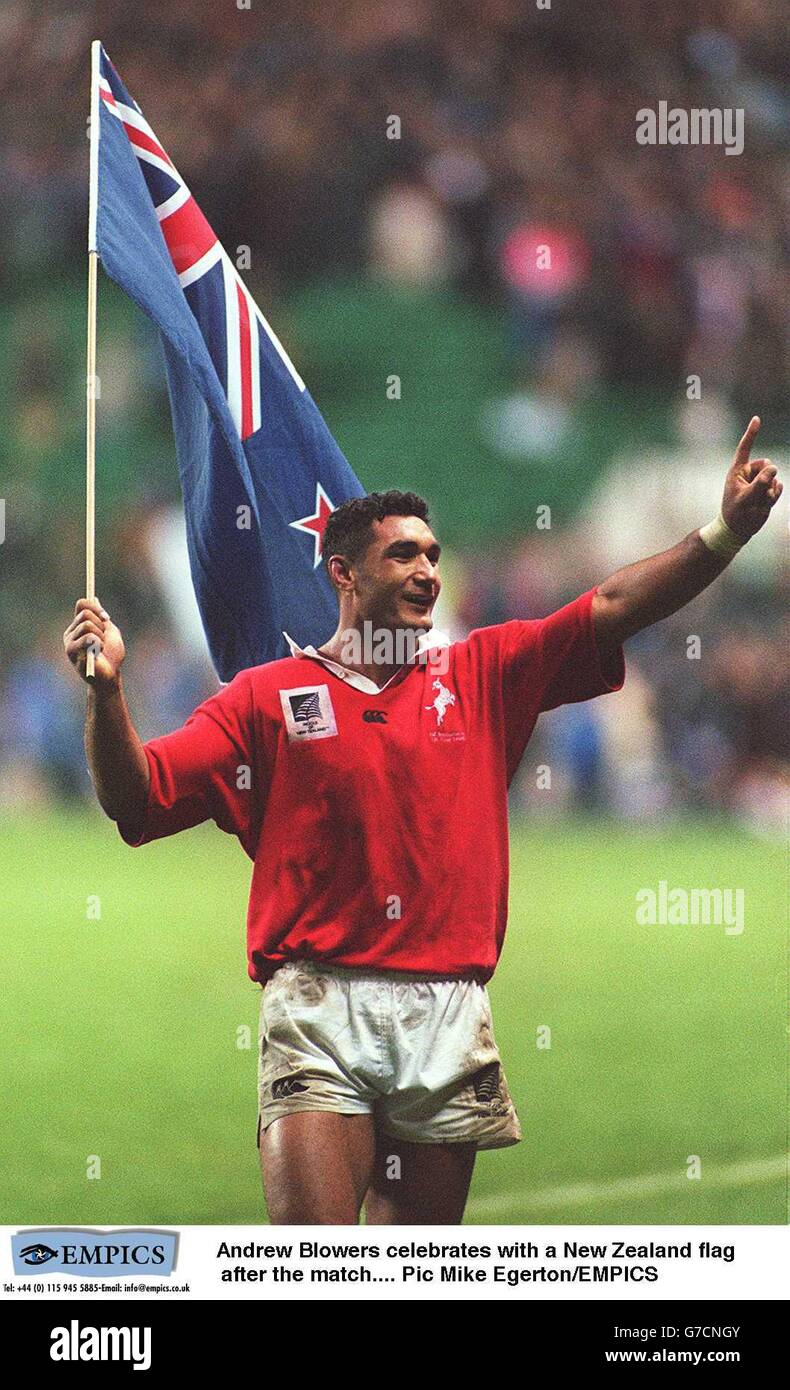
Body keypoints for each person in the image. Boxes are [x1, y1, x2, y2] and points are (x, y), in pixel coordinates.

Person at [64, 417, 782, 1225]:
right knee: (313, 1270)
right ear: (342, 572)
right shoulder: (265, 699)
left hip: (449, 1008)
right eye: (403, 554)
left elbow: (612, 604)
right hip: (318, 1007)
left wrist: (723, 534)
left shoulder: (481, 674)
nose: (427, 571)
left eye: (434, 555)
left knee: (414, 1276)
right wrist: (107, 694)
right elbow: (137, 799)